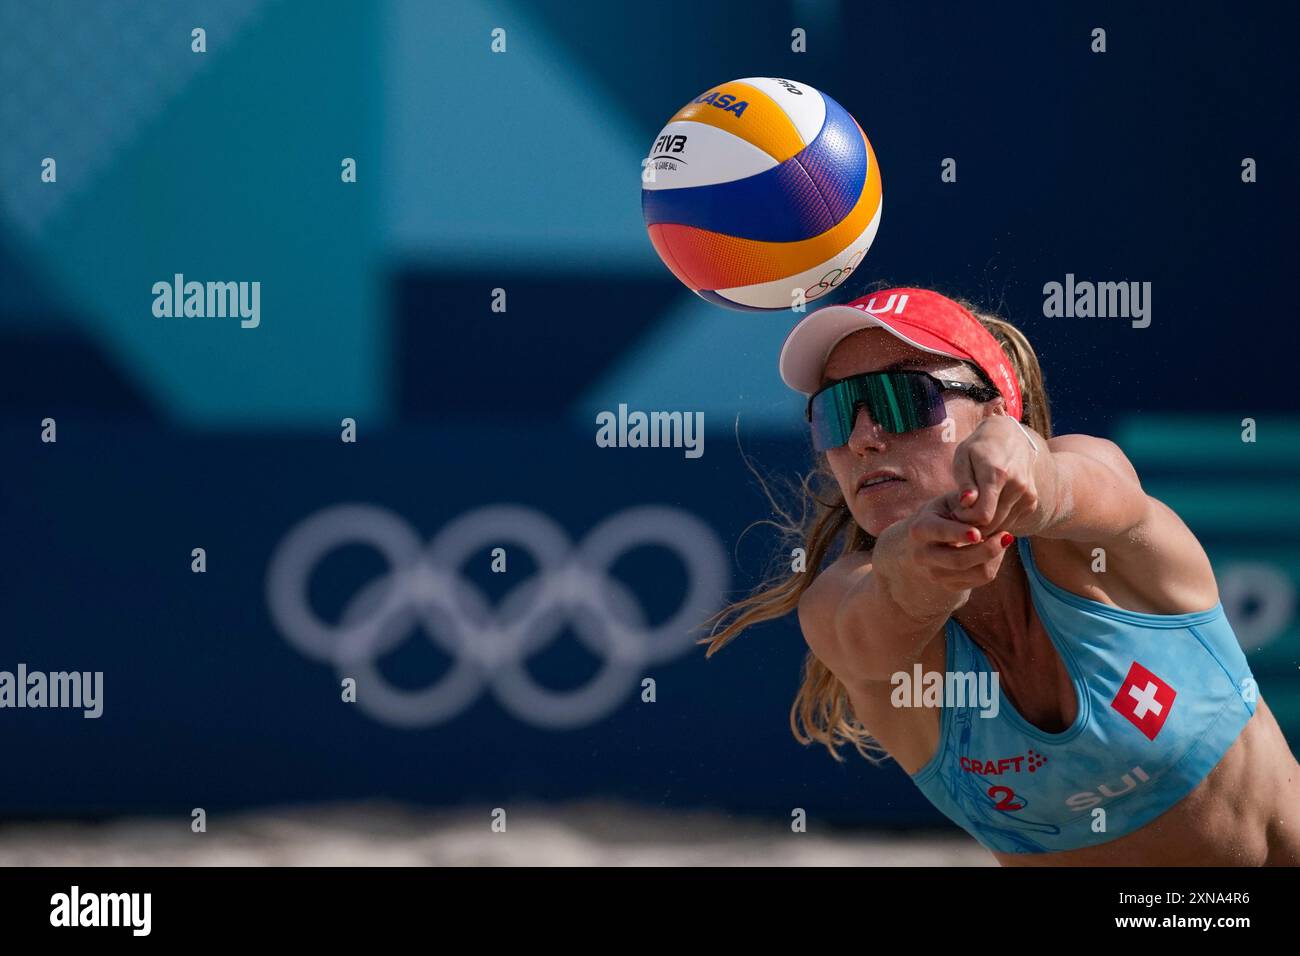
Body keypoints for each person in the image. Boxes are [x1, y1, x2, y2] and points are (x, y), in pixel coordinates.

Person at [704, 286, 1300, 865]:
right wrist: (919, 569)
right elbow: (891, 596)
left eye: (902, 399)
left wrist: (1028, 470)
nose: (863, 438)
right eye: (834, 413)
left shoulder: (1093, 531)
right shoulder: (840, 602)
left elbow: (1074, 485)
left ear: (995, 413)